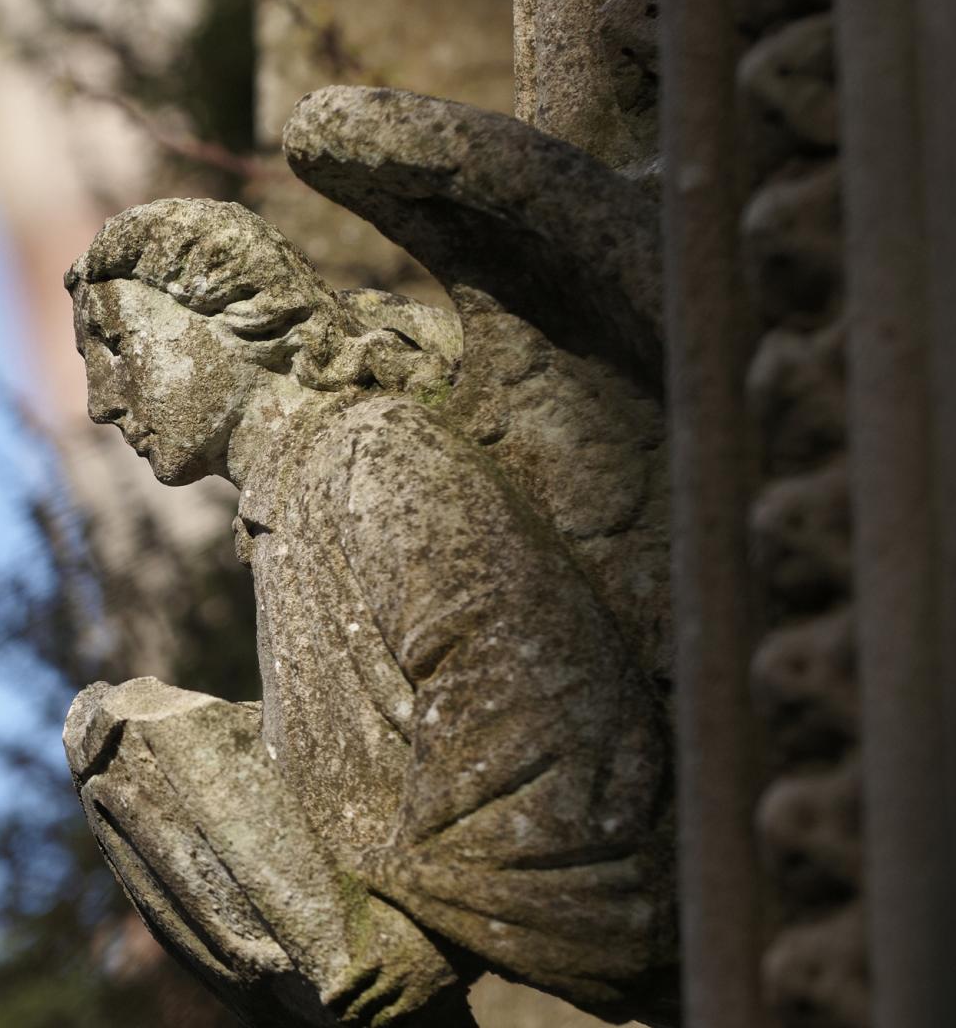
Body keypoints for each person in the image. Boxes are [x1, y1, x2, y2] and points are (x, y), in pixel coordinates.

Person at [62, 199, 676, 1028]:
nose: (103, 401)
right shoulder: (282, 519)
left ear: (234, 311)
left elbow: (529, 692)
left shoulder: (371, 452)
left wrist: (421, 916)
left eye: (118, 347)